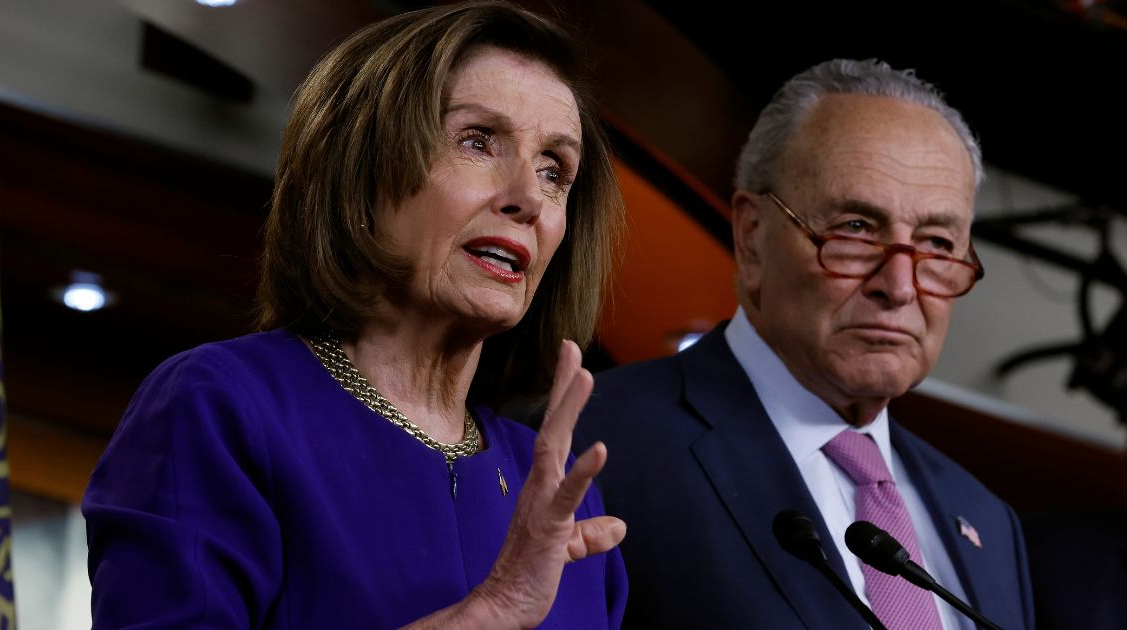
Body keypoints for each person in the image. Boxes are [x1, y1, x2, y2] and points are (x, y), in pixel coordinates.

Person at [82, 2, 628, 627]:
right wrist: (490, 612)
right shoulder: (220, 408)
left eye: (554, 170)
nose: (529, 198)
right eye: (477, 141)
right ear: (362, 165)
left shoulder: (563, 499)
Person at [574, 59, 1034, 629]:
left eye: (938, 243)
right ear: (752, 237)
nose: (898, 287)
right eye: (856, 229)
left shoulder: (988, 520)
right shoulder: (595, 444)